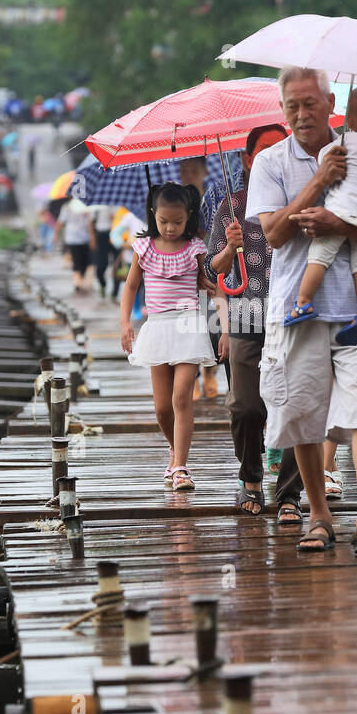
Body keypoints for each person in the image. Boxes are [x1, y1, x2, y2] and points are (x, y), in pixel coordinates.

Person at [247, 67, 357, 556]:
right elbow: (272, 234)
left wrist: (339, 220)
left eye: (310, 103)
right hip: (298, 304)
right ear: (282, 108)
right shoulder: (271, 162)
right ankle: (318, 514)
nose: (301, 114)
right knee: (303, 413)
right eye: (292, 105)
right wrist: (318, 181)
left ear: (330, 101)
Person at [204, 123, 306, 521]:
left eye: (283, 148)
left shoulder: (304, 198)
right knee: (245, 405)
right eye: (265, 150)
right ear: (248, 160)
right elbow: (212, 274)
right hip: (247, 314)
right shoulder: (230, 207)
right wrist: (230, 246)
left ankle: (289, 494)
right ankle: (250, 478)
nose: (275, 156)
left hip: (295, 313)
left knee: (294, 404)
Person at [281, 85, 357, 346]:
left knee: (319, 258)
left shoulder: (342, 142)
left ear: (348, 119)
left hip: (340, 212)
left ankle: (303, 302)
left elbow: (323, 161)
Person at [120, 183, 223, 491]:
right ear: (153, 215)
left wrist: (212, 287)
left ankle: (180, 467)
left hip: (188, 324)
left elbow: (209, 282)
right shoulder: (145, 248)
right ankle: (174, 449)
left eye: (177, 222)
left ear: (188, 216)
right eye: (163, 221)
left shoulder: (195, 248)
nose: (170, 228)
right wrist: (125, 322)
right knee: (162, 408)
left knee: (182, 397)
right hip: (158, 326)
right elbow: (129, 287)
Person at [179, 156, 221, 400]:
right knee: (188, 326)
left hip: (211, 266)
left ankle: (210, 371)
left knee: (212, 323)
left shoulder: (215, 197)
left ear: (205, 170)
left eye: (194, 170)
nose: (189, 174)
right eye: (184, 170)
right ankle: (192, 375)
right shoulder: (175, 200)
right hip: (184, 273)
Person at [56, 198, 94, 293]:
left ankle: (79, 280)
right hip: (75, 238)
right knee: (79, 260)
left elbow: (60, 222)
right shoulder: (68, 207)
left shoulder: (84, 207)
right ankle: (77, 282)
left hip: (81, 238)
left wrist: (55, 234)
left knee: (82, 261)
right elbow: (60, 222)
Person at [89, 201, 119, 299]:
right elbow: (91, 222)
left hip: (116, 235)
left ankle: (114, 293)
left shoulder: (119, 204)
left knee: (117, 264)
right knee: (101, 265)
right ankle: (102, 285)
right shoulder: (97, 205)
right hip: (101, 236)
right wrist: (93, 238)